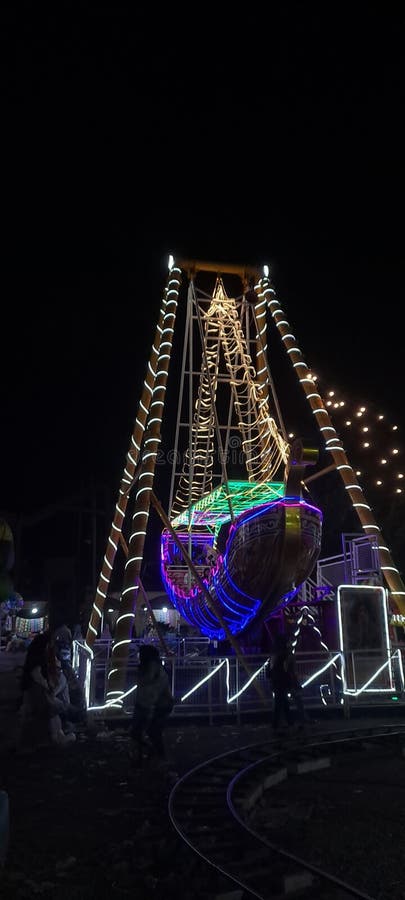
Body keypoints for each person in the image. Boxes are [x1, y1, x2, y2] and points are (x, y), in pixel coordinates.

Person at [17, 630, 76, 749]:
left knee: (55, 706)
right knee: (54, 708)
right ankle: (58, 736)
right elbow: (37, 676)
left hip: (36, 694)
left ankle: (58, 735)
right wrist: (48, 687)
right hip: (37, 695)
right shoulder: (37, 661)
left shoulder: (35, 659)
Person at [129, 644, 174, 767]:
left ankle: (159, 756)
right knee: (143, 731)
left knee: (152, 731)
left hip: (159, 705)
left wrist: (147, 707)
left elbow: (153, 689)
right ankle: (152, 754)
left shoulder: (153, 669)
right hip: (151, 704)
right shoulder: (149, 668)